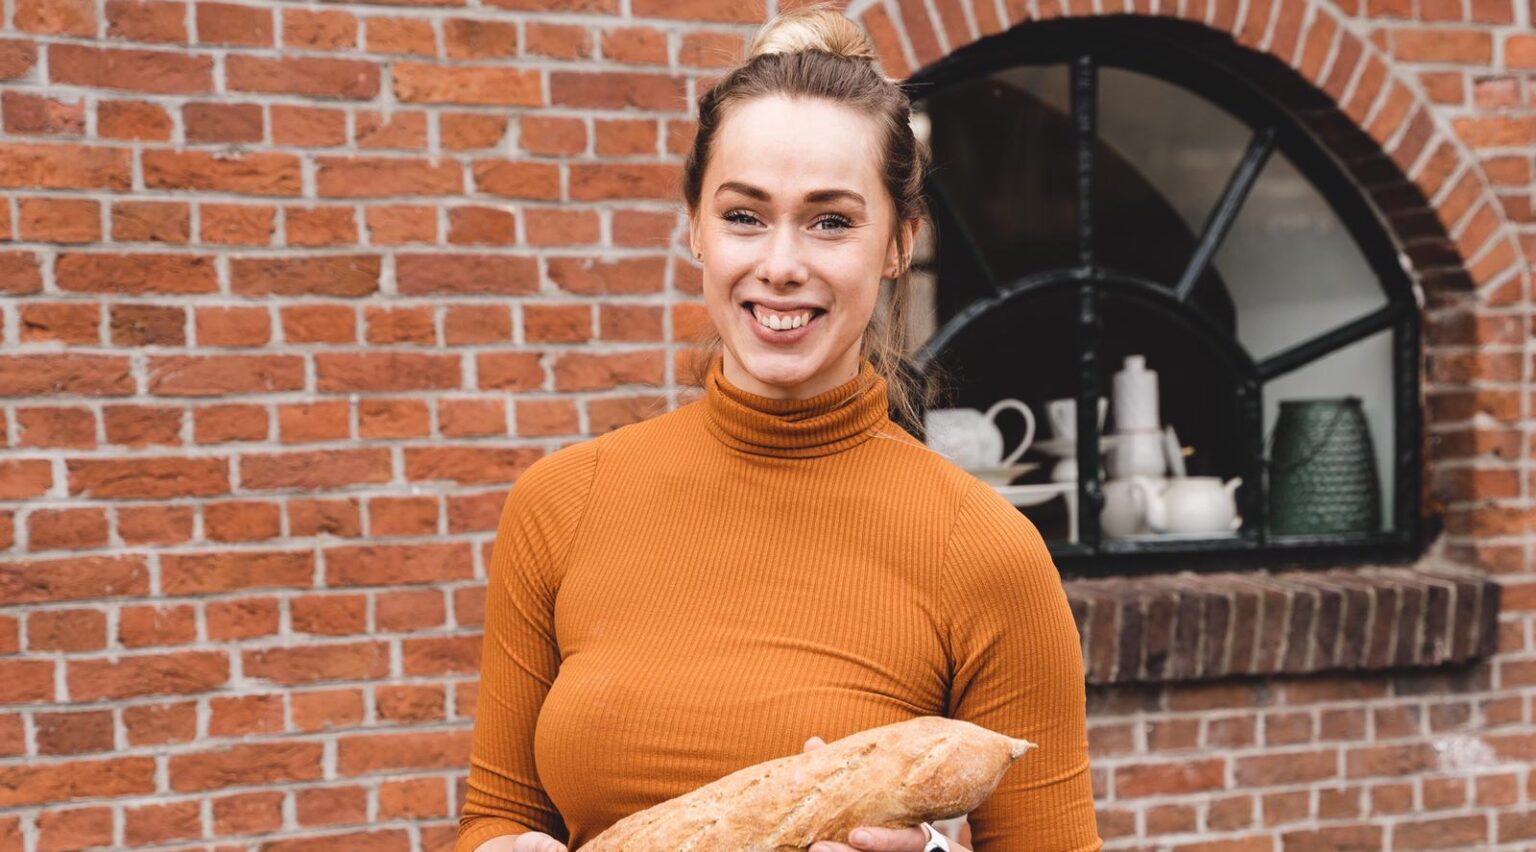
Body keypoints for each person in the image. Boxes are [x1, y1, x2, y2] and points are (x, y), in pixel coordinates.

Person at [456, 6, 1102, 851]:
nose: (782, 265)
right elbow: (494, 819)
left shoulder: (985, 553)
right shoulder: (562, 505)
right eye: (745, 215)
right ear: (695, 227)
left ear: (900, 242)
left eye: (831, 219)